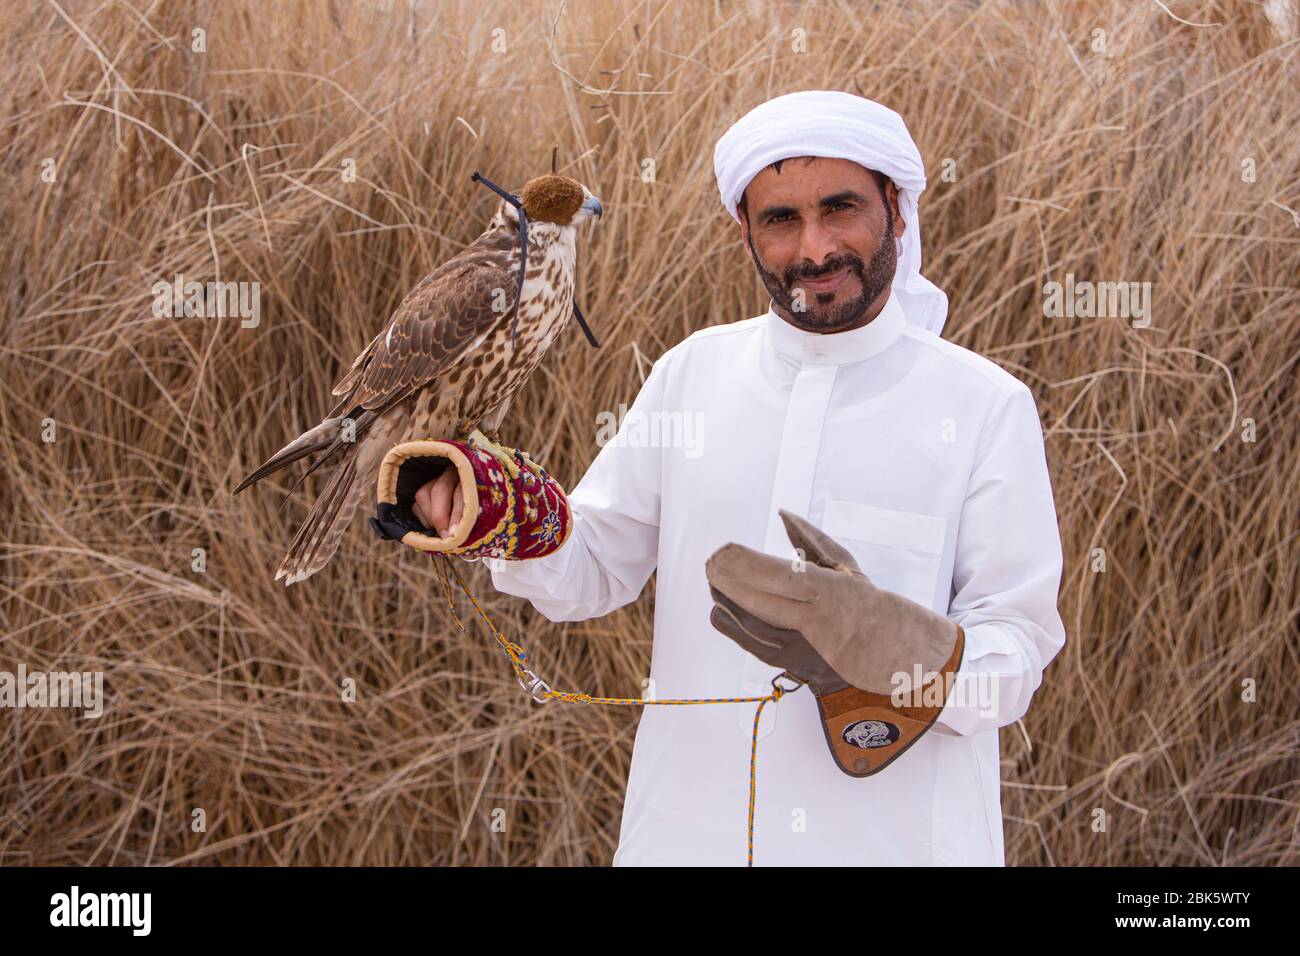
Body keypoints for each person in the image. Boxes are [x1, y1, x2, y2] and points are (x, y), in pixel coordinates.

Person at [411, 90, 1067, 866]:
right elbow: (589, 569)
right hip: (685, 840)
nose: (815, 249)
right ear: (745, 232)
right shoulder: (691, 375)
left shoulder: (983, 406)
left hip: (892, 845)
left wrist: (896, 656)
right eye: (781, 220)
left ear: (896, 208)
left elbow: (1013, 661)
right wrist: (492, 513)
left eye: (841, 209)